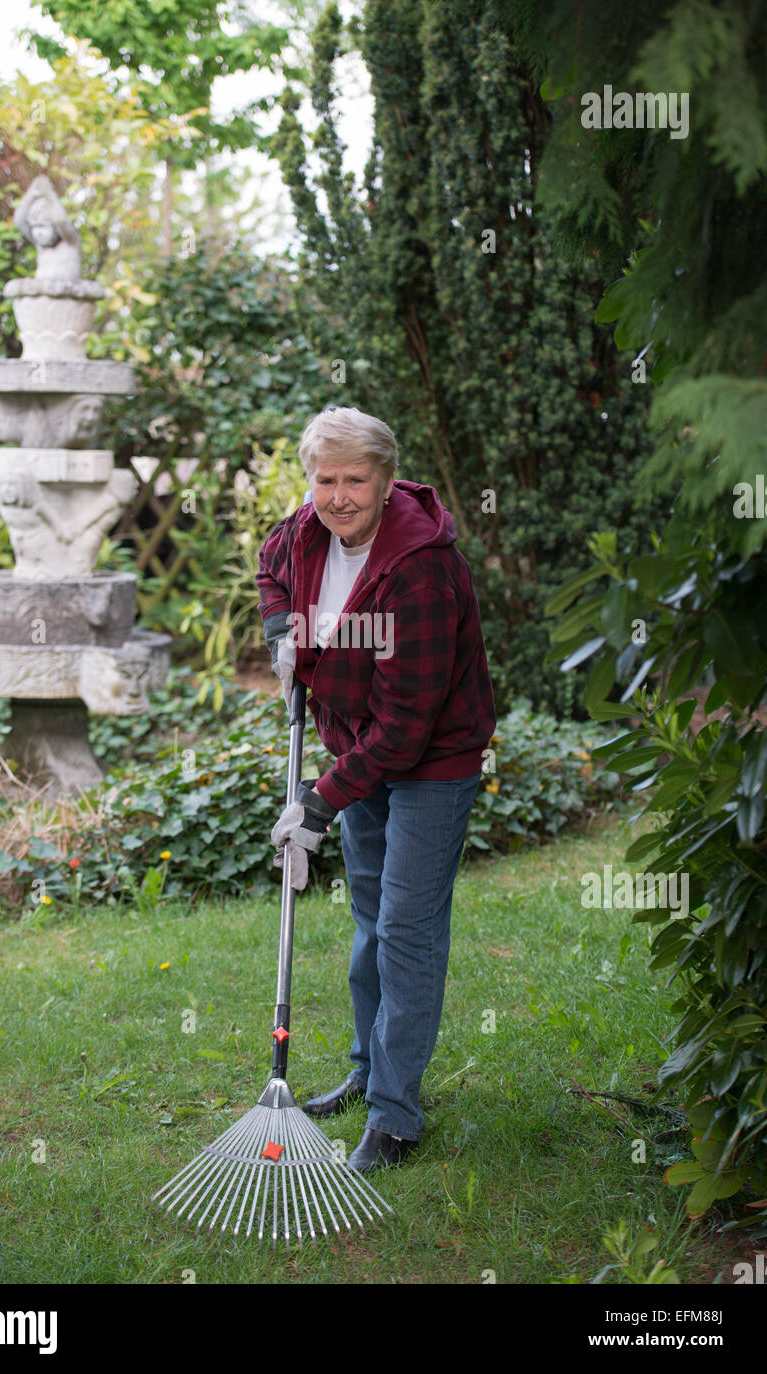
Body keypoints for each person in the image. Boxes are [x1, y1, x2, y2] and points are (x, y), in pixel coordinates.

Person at [256, 406, 496, 1173]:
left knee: (405, 929)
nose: (338, 496)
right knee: (369, 920)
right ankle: (367, 1070)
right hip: (354, 745)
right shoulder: (305, 529)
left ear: (386, 481)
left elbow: (406, 725)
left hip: (431, 758)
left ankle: (395, 1117)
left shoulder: (420, 565)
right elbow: (271, 566)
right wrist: (278, 632)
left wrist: (320, 801)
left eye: (355, 480)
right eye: (324, 479)